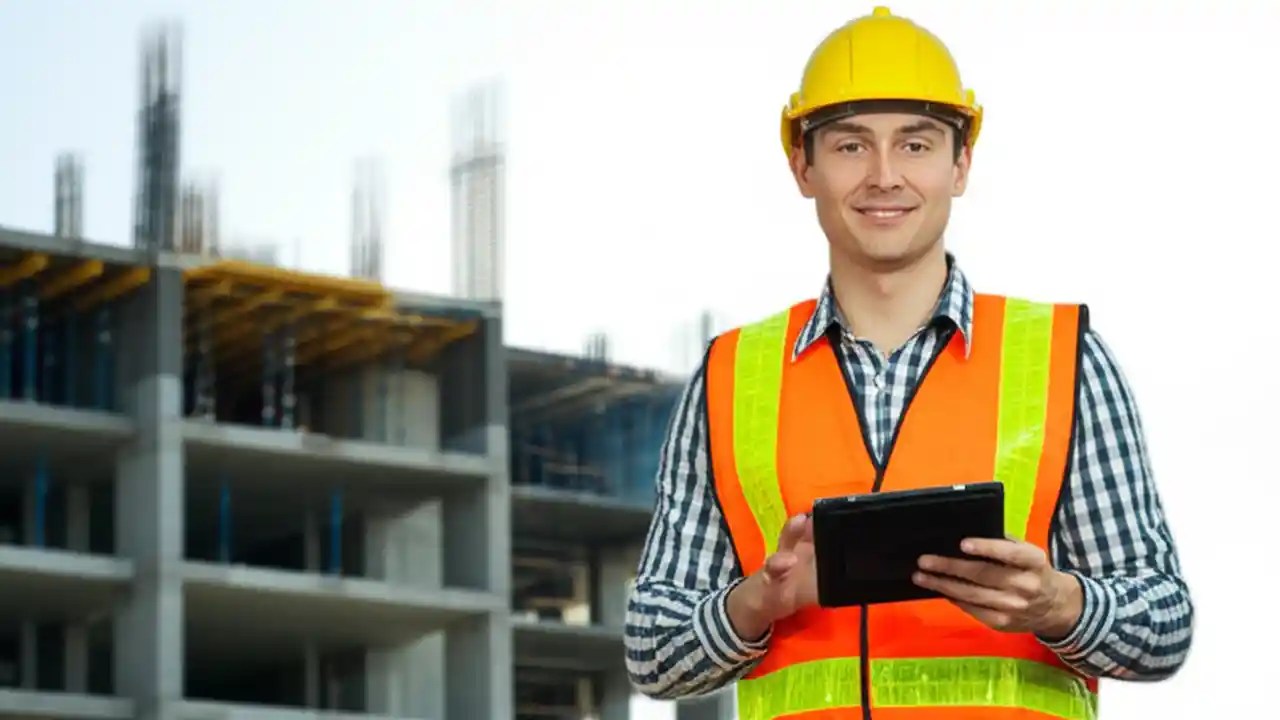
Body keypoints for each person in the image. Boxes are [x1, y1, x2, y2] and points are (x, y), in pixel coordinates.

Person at [623, 6, 1193, 719]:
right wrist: (756, 602)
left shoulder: (1064, 360)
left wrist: (1058, 604)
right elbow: (651, 650)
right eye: (851, 146)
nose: (885, 176)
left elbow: (1164, 626)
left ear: (961, 165)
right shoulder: (732, 376)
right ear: (802, 166)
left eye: (916, 144)